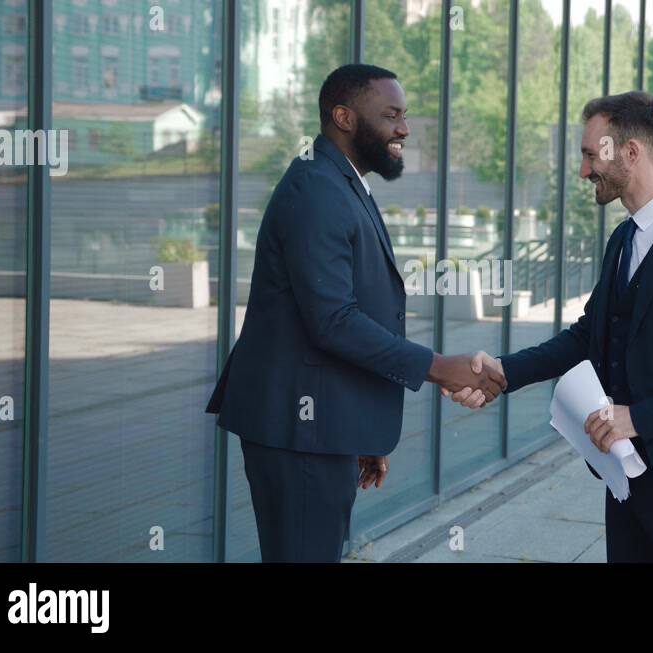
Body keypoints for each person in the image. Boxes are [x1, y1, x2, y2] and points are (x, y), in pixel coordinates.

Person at [447, 91, 653, 563]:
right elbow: (589, 335)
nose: (584, 170)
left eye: (590, 155)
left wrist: (637, 417)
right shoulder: (624, 238)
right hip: (625, 472)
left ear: (630, 152)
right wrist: (503, 371)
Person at [206, 64, 506, 563]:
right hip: (298, 430)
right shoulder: (316, 188)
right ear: (343, 117)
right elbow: (333, 321)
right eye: (390, 115)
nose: (403, 129)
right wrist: (439, 367)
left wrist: (358, 430)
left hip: (323, 426)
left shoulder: (341, 183)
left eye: (404, 116)